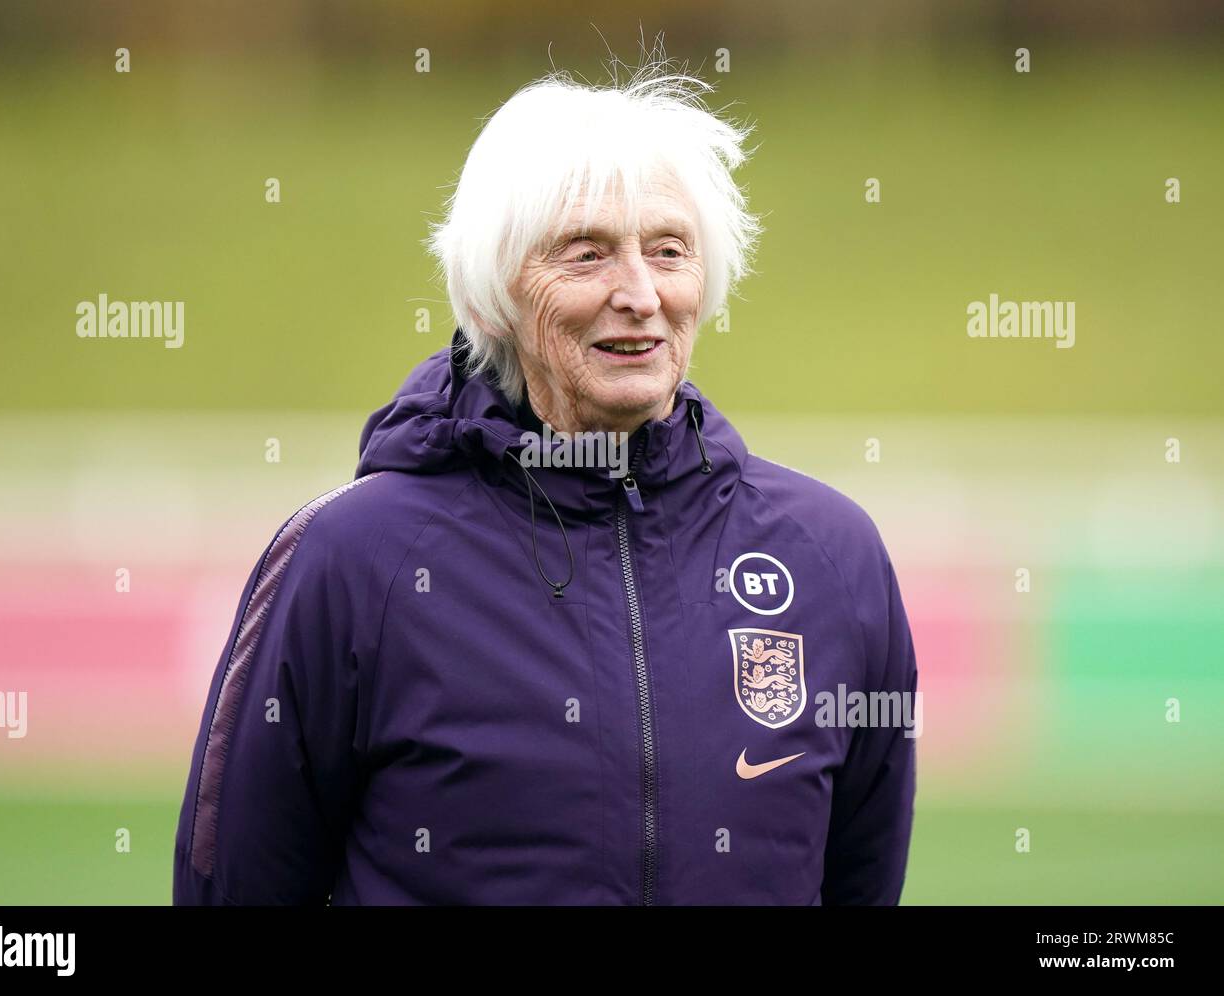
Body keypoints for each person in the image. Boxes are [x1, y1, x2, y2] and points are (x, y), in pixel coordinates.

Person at [173, 55, 918, 905]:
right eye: (586, 253)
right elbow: (234, 883)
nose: (638, 293)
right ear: (493, 296)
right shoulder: (352, 558)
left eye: (669, 251)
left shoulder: (832, 554)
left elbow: (863, 877)